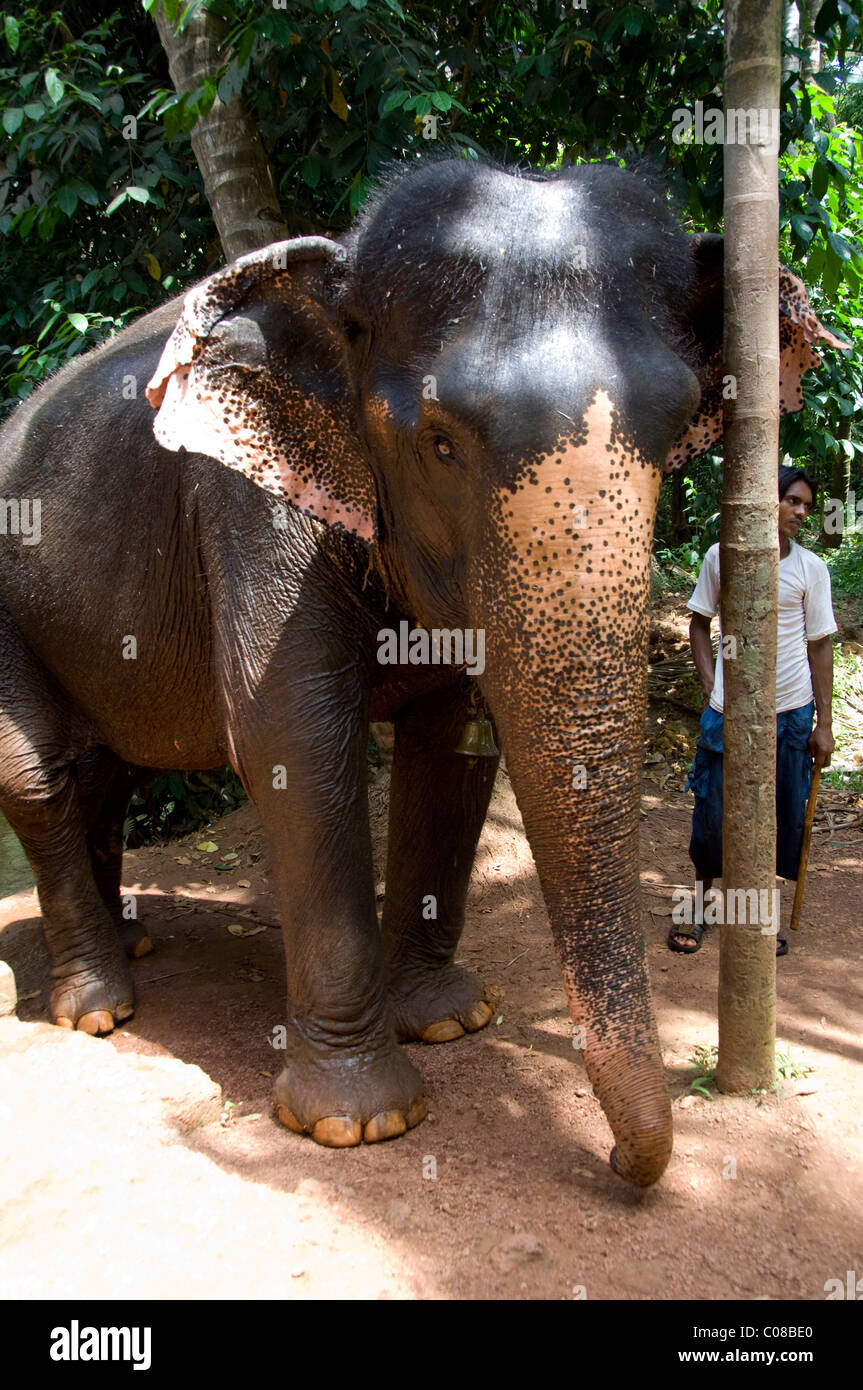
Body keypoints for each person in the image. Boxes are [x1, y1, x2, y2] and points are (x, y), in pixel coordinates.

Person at [668, 465, 837, 955]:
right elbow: (699, 623)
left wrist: (825, 723)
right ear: (769, 502)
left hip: (790, 711)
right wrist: (709, 682)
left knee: (782, 813)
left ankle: (761, 917)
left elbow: (820, 646)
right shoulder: (723, 557)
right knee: (712, 812)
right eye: (792, 501)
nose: (801, 512)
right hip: (729, 710)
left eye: (807, 504)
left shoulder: (811, 569)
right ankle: (700, 910)